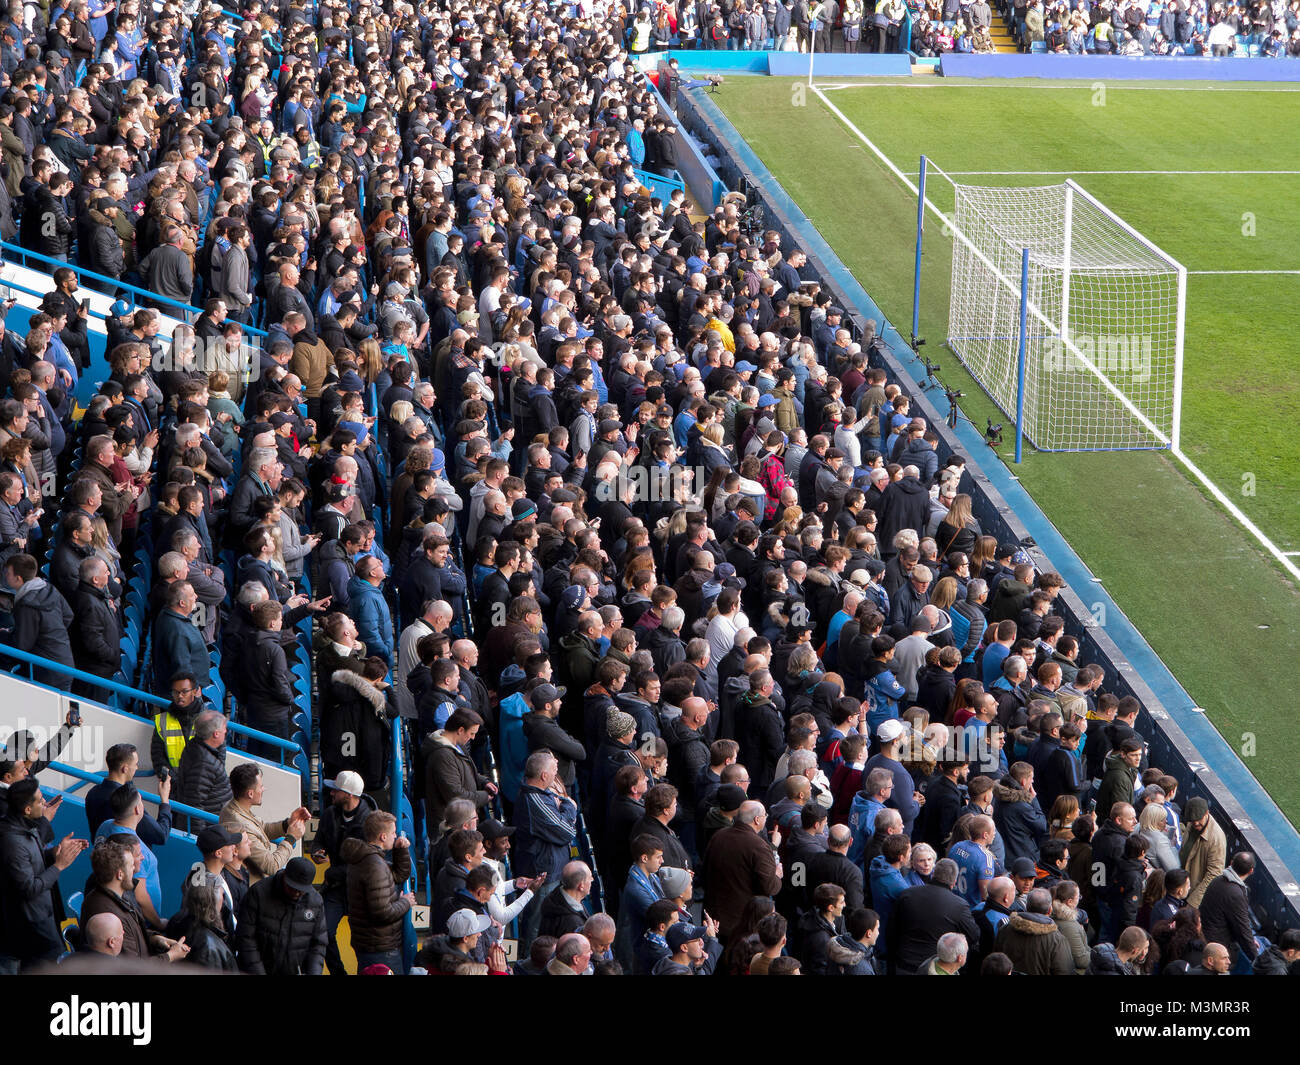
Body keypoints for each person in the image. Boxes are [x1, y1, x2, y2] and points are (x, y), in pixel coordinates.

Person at [0, 779, 87, 970]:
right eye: (40, 801)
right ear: (27, 810)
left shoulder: (24, 827)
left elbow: (33, 861)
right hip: (31, 925)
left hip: (40, 918)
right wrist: (59, 865)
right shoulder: (12, 842)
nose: (45, 803)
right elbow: (29, 888)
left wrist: (57, 851)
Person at [341, 810, 415, 974]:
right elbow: (382, 913)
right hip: (380, 947)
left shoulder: (368, 858)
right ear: (383, 836)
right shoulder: (374, 865)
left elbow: (397, 875)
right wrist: (406, 902)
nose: (395, 836)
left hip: (370, 943)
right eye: (393, 833)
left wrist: (400, 851)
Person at [235, 856, 327, 976]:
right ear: (284, 875)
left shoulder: (315, 902)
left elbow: (318, 945)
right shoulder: (258, 893)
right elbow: (246, 939)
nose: (297, 892)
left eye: (301, 889)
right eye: (292, 887)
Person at [220, 763, 311, 882]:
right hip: (252, 889)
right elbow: (271, 866)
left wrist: (289, 823)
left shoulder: (235, 807)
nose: (264, 789)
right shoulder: (240, 826)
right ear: (250, 793)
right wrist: (291, 838)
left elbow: (263, 829)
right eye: (261, 786)